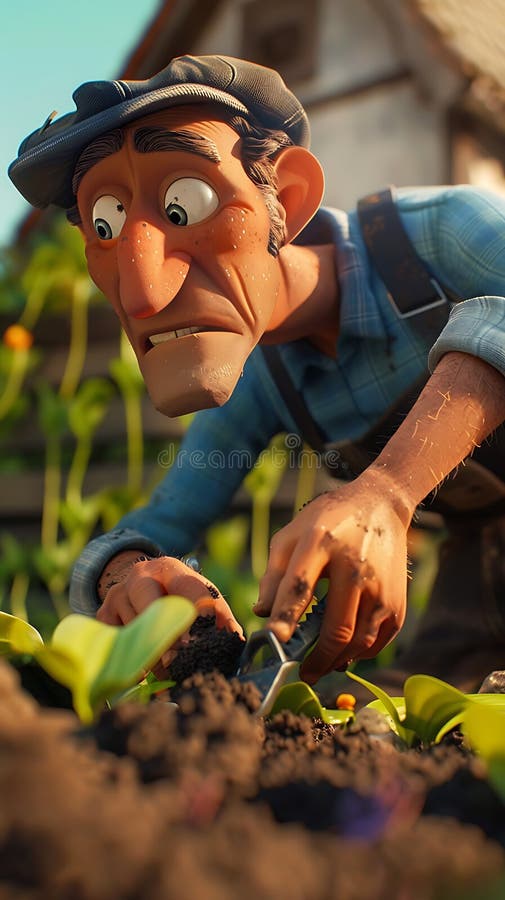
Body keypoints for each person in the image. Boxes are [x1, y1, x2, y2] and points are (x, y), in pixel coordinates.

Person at [9, 54, 505, 696]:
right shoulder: (262, 382)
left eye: (184, 204)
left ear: (289, 198)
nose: (142, 290)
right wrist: (132, 573)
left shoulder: (440, 237)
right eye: (107, 227)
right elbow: (162, 519)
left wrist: (386, 491)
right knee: (416, 716)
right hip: (480, 571)